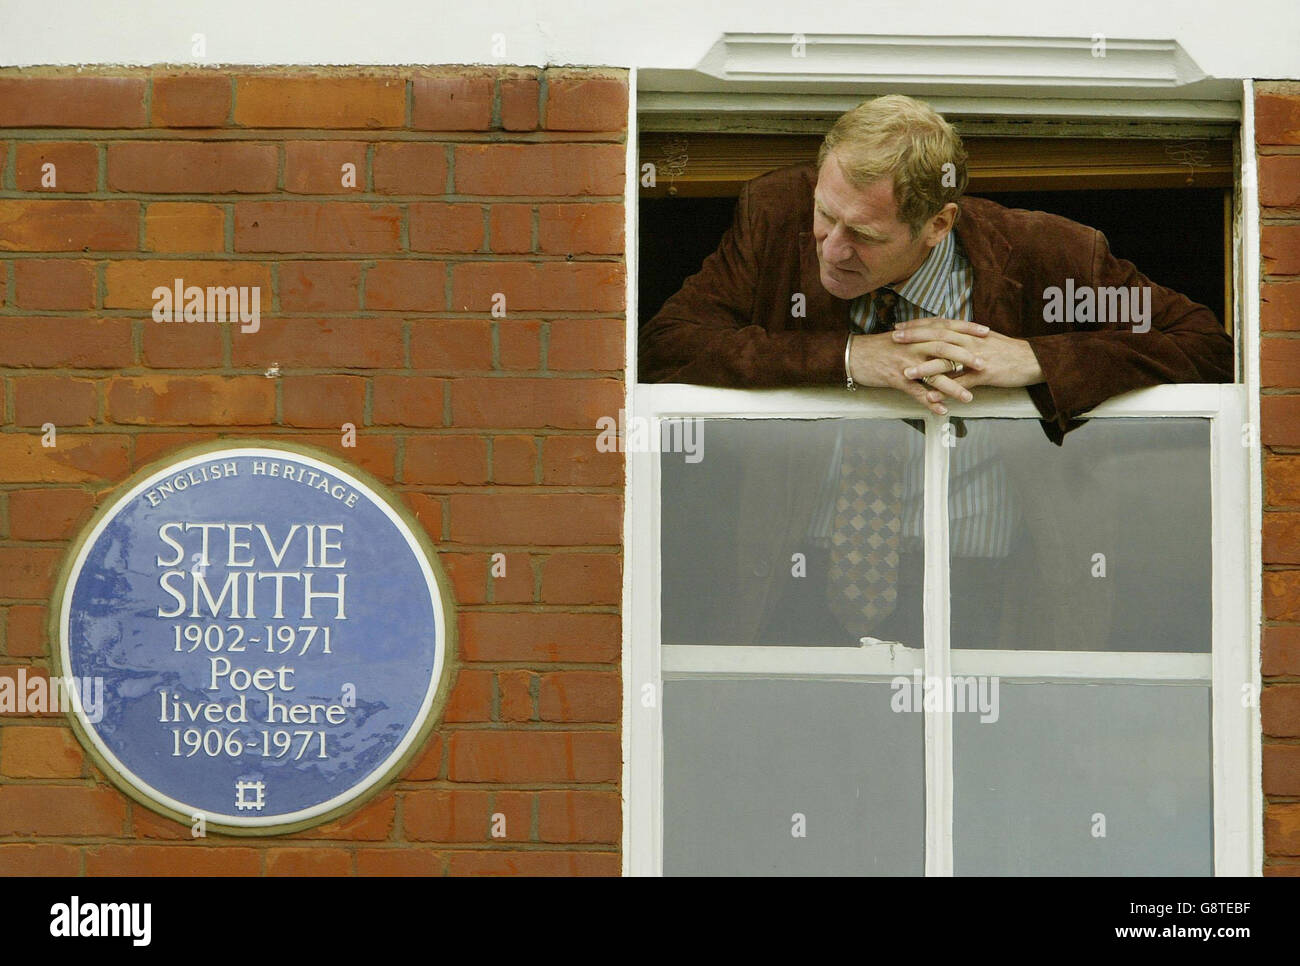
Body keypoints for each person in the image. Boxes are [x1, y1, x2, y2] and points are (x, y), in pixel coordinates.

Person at [640, 94, 1235, 647]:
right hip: (797, 571)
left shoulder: (1050, 254)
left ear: (938, 225)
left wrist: (1034, 358)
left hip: (986, 582)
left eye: (864, 235)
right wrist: (848, 357)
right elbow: (667, 347)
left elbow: (1206, 347)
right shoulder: (773, 216)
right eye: (825, 215)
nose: (831, 248)